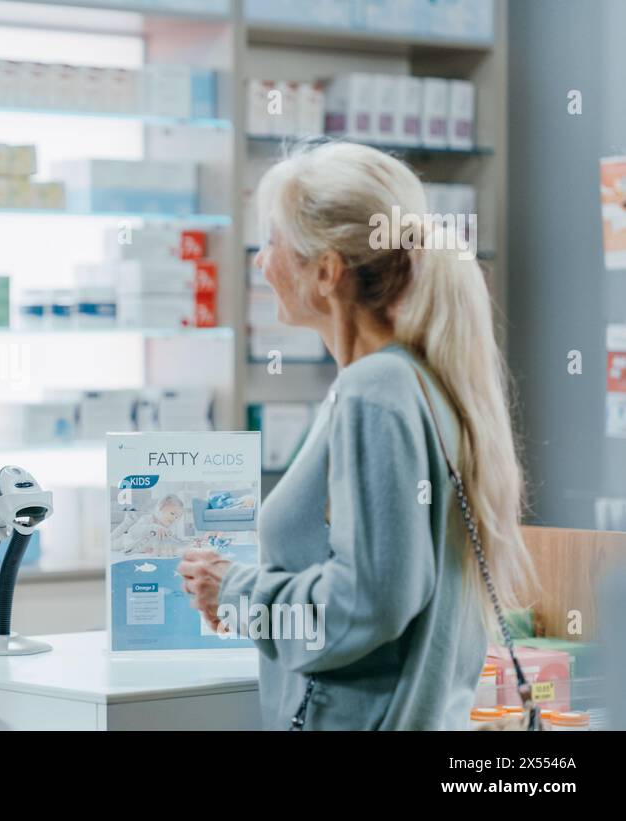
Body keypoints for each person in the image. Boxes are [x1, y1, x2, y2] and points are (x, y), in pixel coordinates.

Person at [178, 141, 534, 730]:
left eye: (273, 242)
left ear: (326, 270)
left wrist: (237, 595)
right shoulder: (413, 380)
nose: (261, 263)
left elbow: (367, 603)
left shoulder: (377, 390)